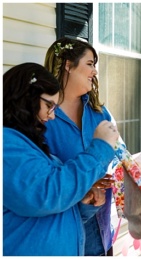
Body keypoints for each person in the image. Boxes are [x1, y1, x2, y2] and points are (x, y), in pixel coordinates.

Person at [3, 63, 119, 255]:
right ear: (25, 97)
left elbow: (47, 216)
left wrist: (81, 203)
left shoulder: (30, 146)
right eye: (49, 105)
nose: (52, 116)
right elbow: (46, 194)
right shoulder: (7, 145)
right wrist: (99, 147)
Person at [42, 37, 118, 256]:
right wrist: (87, 181)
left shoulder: (101, 113)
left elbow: (119, 158)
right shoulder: (45, 117)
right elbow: (46, 178)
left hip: (102, 230)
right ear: (68, 64)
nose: (95, 71)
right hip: (63, 233)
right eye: (90, 63)